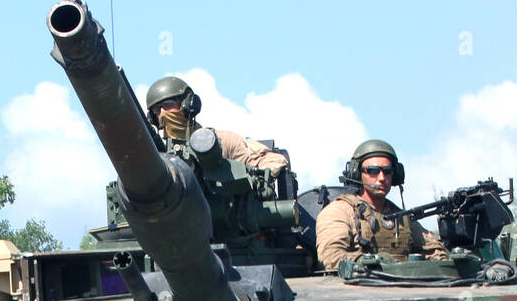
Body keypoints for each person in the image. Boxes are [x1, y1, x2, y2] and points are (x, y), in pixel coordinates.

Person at [315, 139, 448, 271]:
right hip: (357, 287)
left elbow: (435, 251)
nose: (382, 178)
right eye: (373, 171)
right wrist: (371, 262)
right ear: (357, 173)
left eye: (387, 171)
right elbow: (330, 257)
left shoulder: (400, 218)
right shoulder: (339, 211)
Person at [145, 76, 289, 177]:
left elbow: (274, 161)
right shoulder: (157, 157)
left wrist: (242, 177)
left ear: (188, 105)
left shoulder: (222, 141)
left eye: (168, 106)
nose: (163, 114)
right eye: (157, 111)